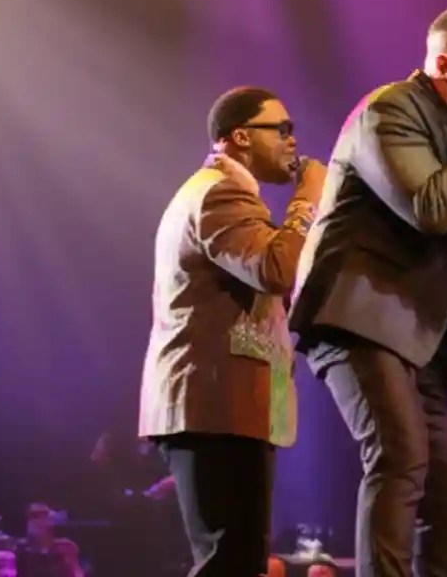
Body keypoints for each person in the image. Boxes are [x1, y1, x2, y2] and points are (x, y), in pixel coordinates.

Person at [289, 5, 447, 576]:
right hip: (357, 316)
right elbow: (431, 208)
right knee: (400, 458)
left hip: (414, 335)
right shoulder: (389, 111)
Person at [138, 86, 326, 577]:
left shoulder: (230, 195)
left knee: (240, 560)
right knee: (227, 560)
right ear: (240, 136)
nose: (292, 141)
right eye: (281, 129)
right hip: (212, 403)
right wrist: (308, 197)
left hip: (234, 404)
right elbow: (273, 269)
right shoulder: (219, 191)